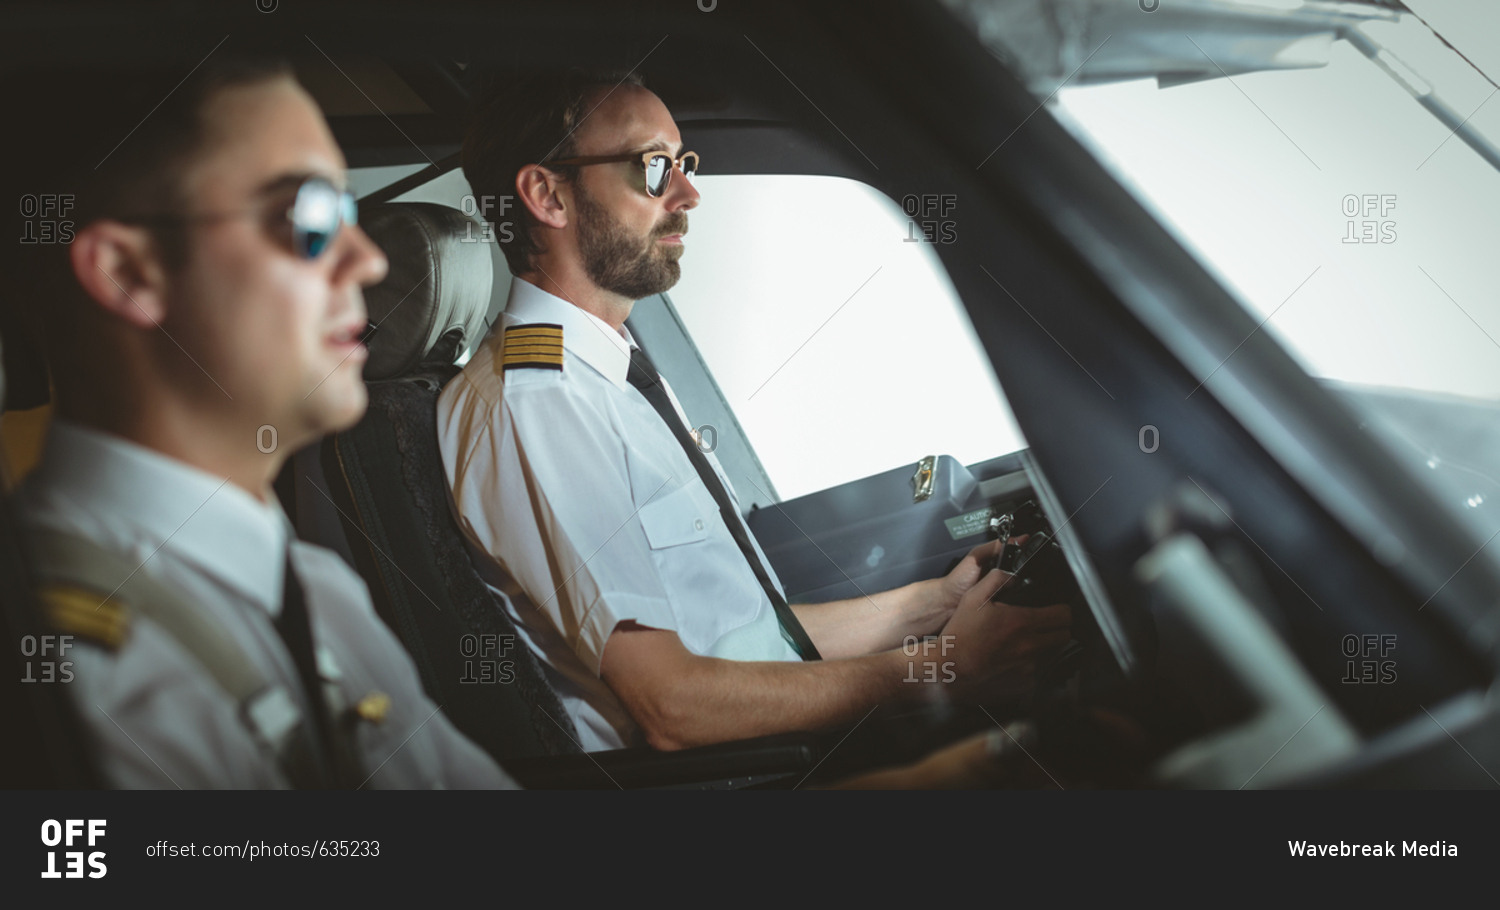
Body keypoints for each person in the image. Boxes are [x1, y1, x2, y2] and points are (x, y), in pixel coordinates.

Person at [438, 71, 1073, 752]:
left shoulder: (612, 374)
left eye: (684, 163)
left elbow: (743, 641)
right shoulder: (539, 404)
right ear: (546, 196)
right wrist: (940, 673)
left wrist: (937, 604)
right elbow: (673, 705)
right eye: (654, 168)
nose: (688, 193)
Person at [8, 58, 517, 788]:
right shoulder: (85, 686)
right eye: (308, 218)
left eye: (348, 212)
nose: (369, 259)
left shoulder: (314, 588)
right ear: (129, 274)